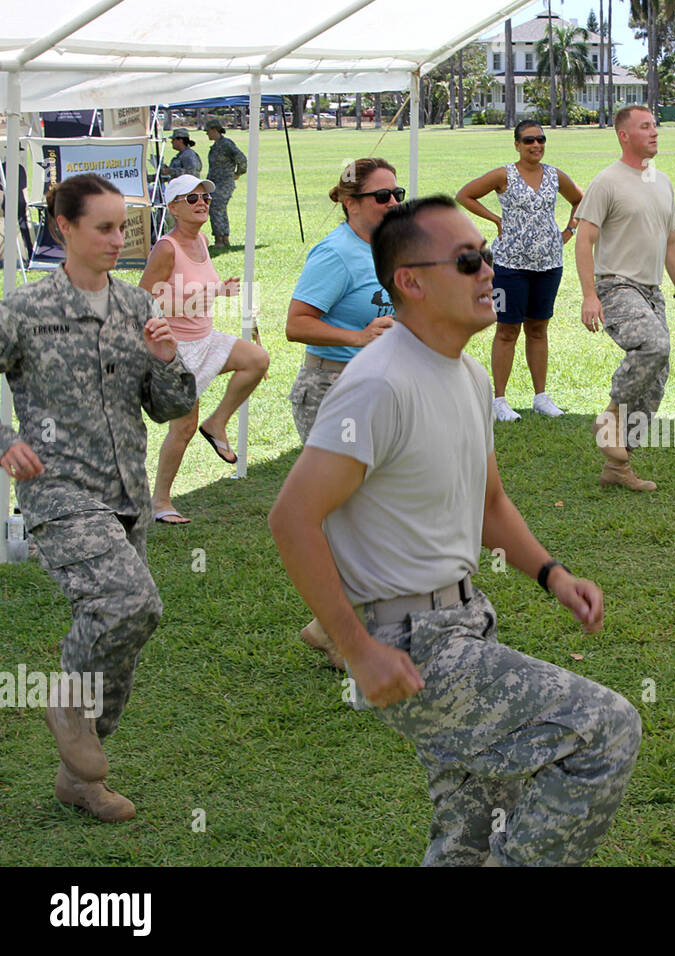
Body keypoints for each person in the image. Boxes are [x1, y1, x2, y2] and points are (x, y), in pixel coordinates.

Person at [268, 195, 641, 866]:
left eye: (487, 257)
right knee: (604, 729)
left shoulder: (468, 375)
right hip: (413, 645)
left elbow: (489, 501)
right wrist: (355, 648)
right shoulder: (377, 385)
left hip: (467, 620)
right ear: (409, 281)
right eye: (469, 261)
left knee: (467, 828)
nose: (487, 274)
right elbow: (292, 517)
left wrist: (553, 576)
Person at [0, 173, 196, 822]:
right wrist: (5, 440)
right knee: (129, 600)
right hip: (58, 492)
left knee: (128, 635)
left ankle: (79, 778)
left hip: (127, 495)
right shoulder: (25, 310)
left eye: (124, 227)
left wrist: (169, 359)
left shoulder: (137, 309)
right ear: (64, 229)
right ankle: (66, 703)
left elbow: (171, 407)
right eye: (104, 228)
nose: (119, 240)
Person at [285, 157, 399, 669]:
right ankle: (338, 634)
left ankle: (329, 626)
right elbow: (296, 323)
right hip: (329, 390)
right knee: (347, 516)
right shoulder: (334, 253)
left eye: (398, 194)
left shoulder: (392, 248)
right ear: (350, 202)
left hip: (374, 391)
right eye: (382, 196)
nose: (394, 203)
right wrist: (356, 336)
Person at [138, 174, 269, 524]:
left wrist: (220, 289)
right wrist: (210, 295)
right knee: (182, 428)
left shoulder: (203, 241)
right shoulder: (167, 247)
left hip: (207, 339)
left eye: (205, 198)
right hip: (179, 350)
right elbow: (146, 299)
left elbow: (199, 289)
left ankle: (216, 424)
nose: (202, 204)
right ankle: (160, 502)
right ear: (174, 208)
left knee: (257, 359)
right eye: (192, 199)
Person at [575, 104, 675, 492]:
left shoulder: (661, 181)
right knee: (653, 346)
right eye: (645, 127)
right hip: (617, 285)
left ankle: (618, 465)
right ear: (624, 135)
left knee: (656, 376)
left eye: (655, 126)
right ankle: (609, 416)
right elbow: (585, 239)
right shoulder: (606, 181)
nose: (655, 132)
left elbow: (671, 241)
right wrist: (589, 295)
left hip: (652, 290)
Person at [456, 120, 583, 422]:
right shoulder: (504, 175)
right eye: (529, 141)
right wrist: (496, 220)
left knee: (538, 329)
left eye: (541, 139)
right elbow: (465, 195)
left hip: (548, 264)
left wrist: (569, 230)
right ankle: (499, 400)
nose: (536, 145)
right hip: (509, 266)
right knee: (507, 330)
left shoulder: (554, 175)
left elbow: (580, 199)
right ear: (517, 144)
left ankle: (541, 396)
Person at [204, 118, 247, 248]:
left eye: (208, 131)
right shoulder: (217, 145)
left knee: (216, 208)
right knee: (219, 210)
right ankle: (223, 239)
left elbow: (242, 159)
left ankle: (220, 240)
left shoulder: (226, 144)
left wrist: (239, 172)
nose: (207, 134)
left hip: (224, 183)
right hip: (215, 183)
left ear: (214, 130)